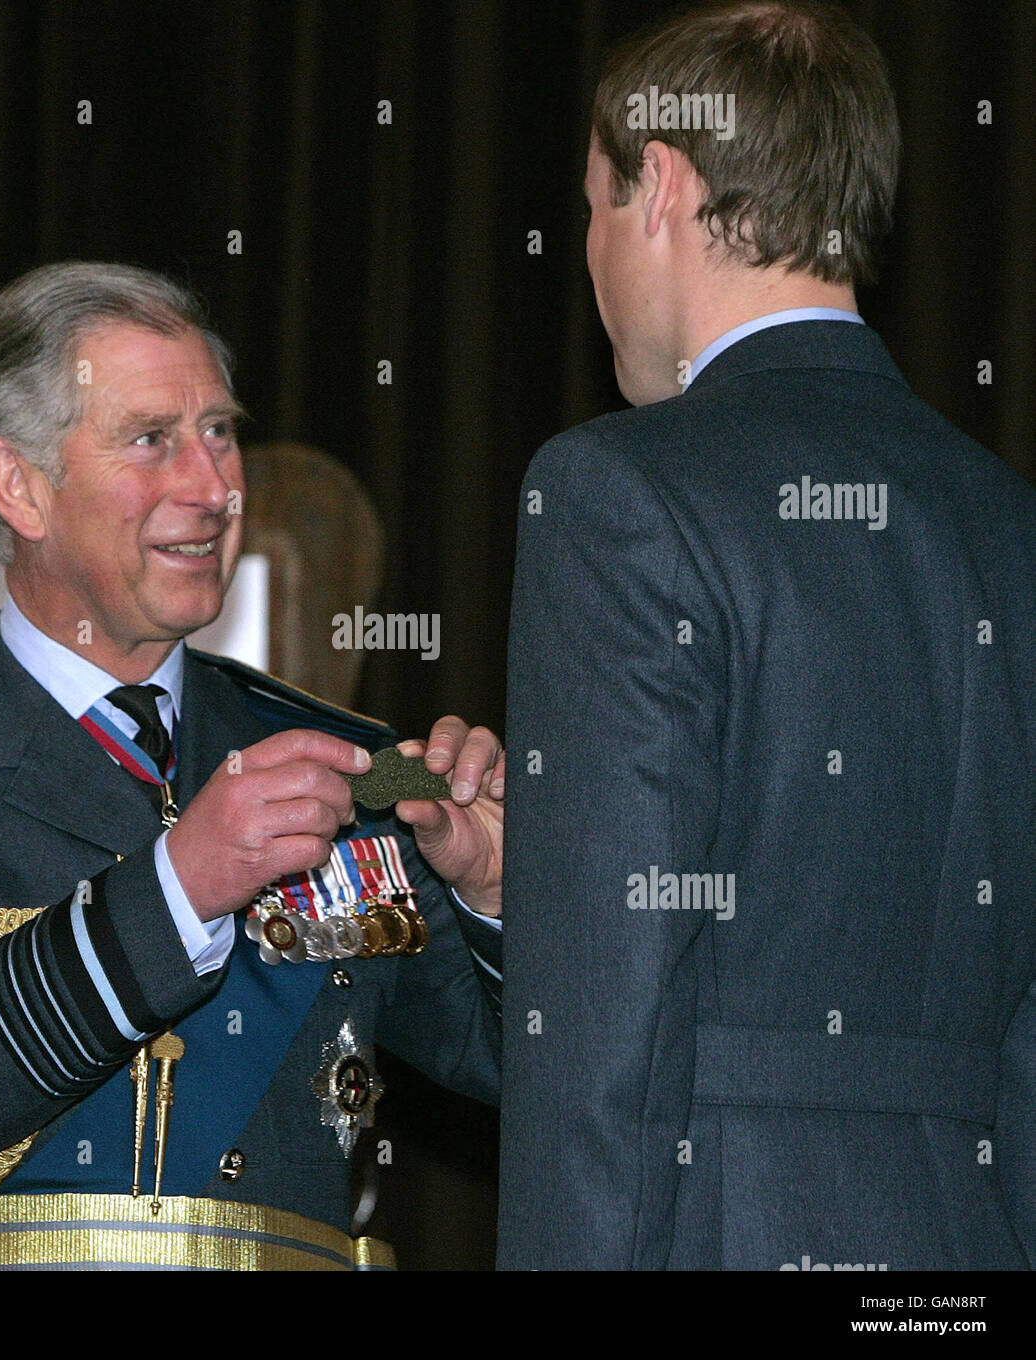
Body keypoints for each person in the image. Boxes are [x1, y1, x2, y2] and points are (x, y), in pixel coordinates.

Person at [0, 261, 503, 1271]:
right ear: (17, 485)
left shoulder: (349, 763)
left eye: (220, 432)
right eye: (153, 440)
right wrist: (178, 888)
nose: (214, 487)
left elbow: (525, 1073)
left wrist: (497, 896)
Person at [499, 0, 1036, 1270]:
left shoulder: (613, 493)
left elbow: (604, 1030)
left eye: (591, 205)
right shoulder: (1011, 528)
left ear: (663, 186)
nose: (586, 253)